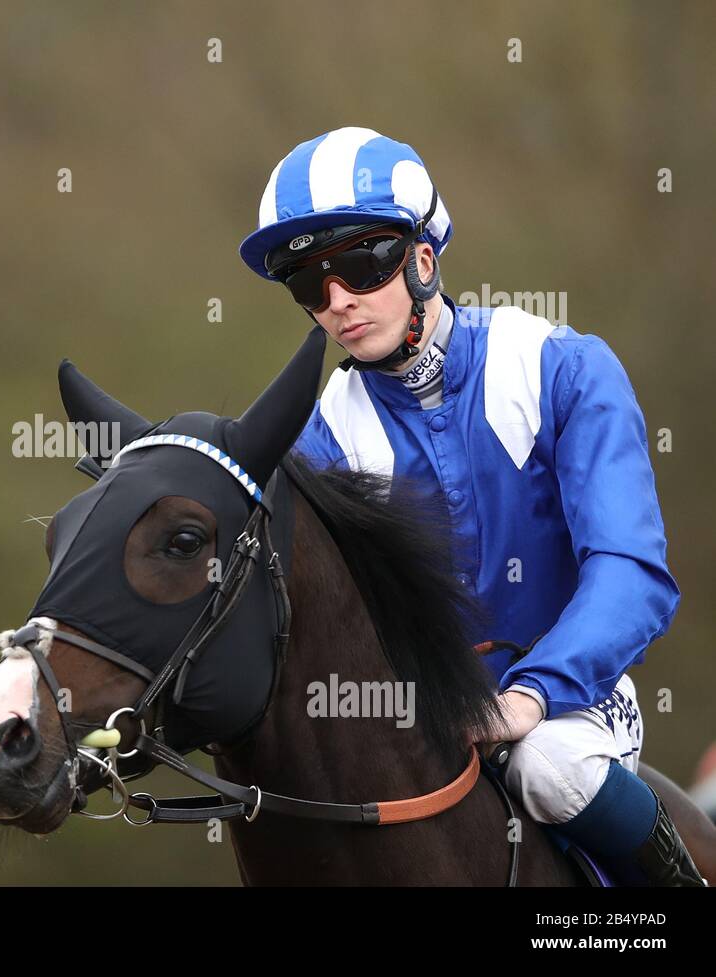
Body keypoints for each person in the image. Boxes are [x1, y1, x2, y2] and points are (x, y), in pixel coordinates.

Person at [239, 126, 703, 885]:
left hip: (571, 703)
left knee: (549, 767)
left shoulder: (563, 366)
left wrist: (531, 695)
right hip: (416, 723)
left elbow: (631, 573)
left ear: (423, 258)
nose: (338, 301)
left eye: (361, 263)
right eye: (307, 282)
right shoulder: (319, 441)